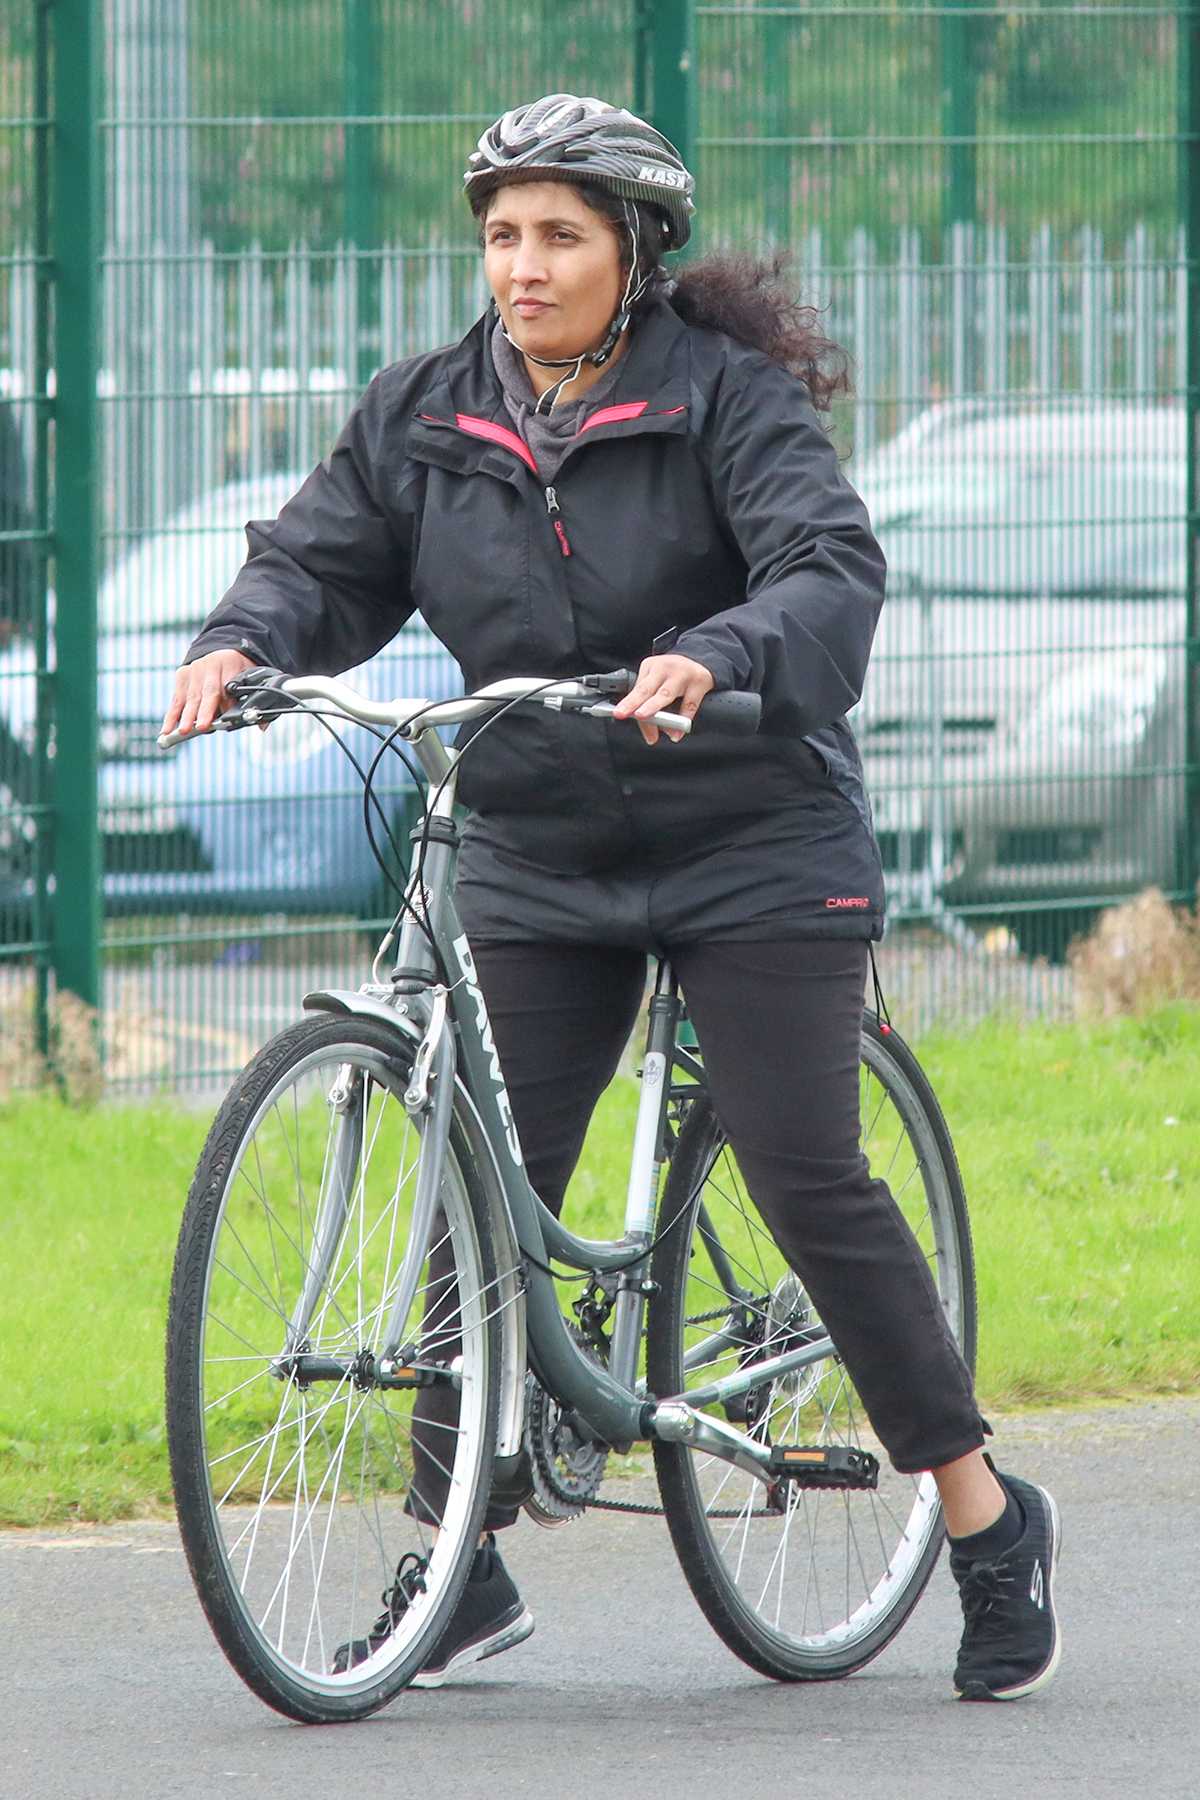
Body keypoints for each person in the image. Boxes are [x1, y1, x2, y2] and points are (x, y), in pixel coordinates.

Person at [164, 94, 1061, 1701]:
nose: (523, 266)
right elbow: (325, 560)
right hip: (539, 838)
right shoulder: (428, 412)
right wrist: (248, 639)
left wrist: (715, 655)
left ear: (634, 252)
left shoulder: (730, 399)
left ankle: (987, 1516)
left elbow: (825, 573)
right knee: (471, 1197)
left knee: (805, 1173)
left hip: (751, 835)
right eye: (501, 234)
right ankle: (458, 1555)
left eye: (560, 235)